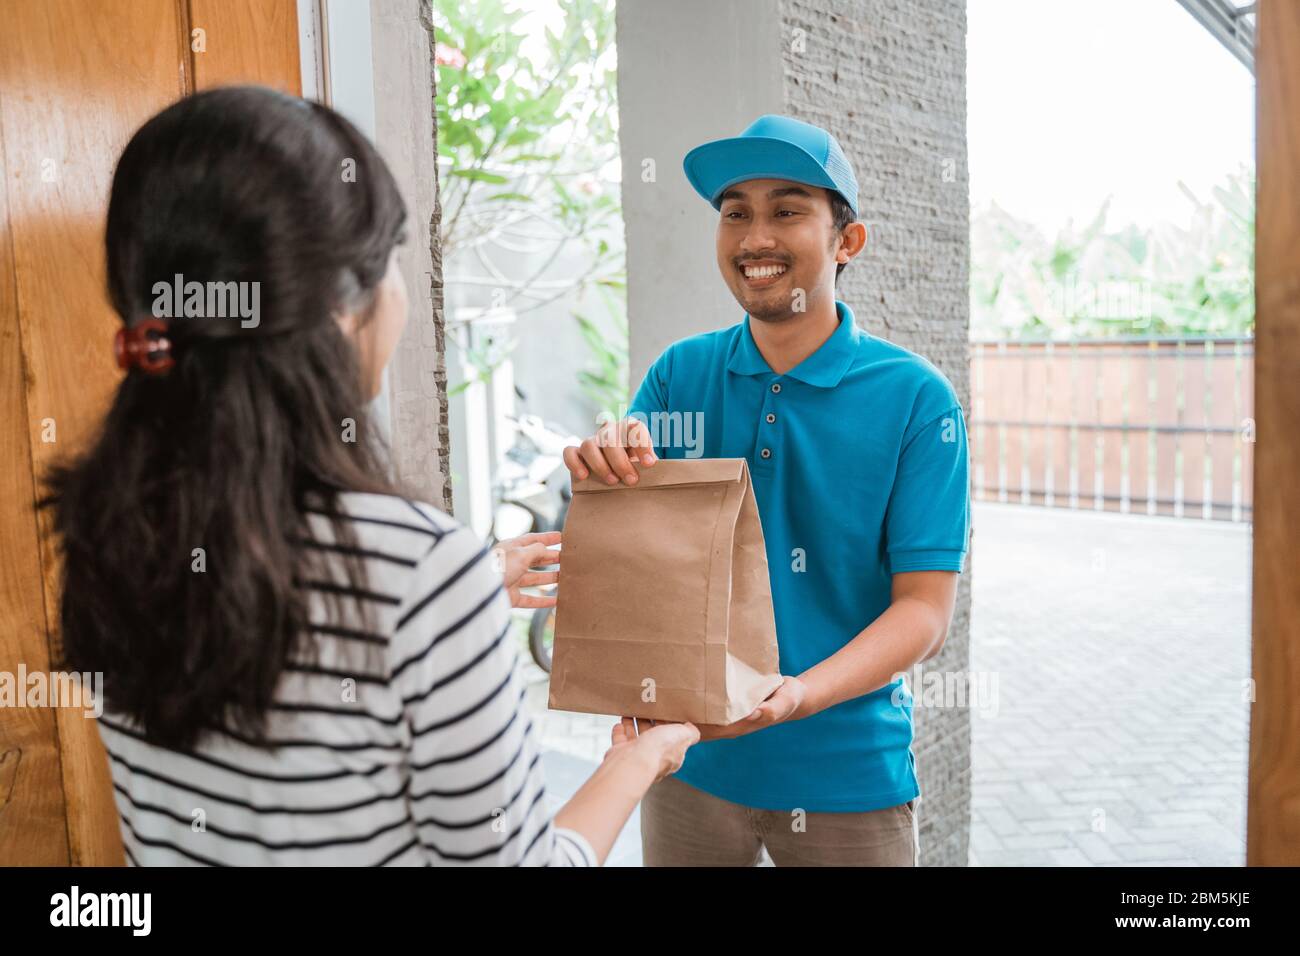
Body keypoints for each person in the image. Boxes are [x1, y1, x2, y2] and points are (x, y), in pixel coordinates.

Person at [46, 85, 697, 866]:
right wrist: (635, 763)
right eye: (392, 259)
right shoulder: (422, 572)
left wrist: (463, 591)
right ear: (340, 306)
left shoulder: (113, 524)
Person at [562, 114, 971, 866]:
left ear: (847, 242)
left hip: (847, 775)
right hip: (689, 760)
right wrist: (606, 474)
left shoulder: (916, 399)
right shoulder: (678, 376)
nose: (755, 237)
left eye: (786, 210)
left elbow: (924, 610)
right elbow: (641, 559)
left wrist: (797, 696)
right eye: (735, 213)